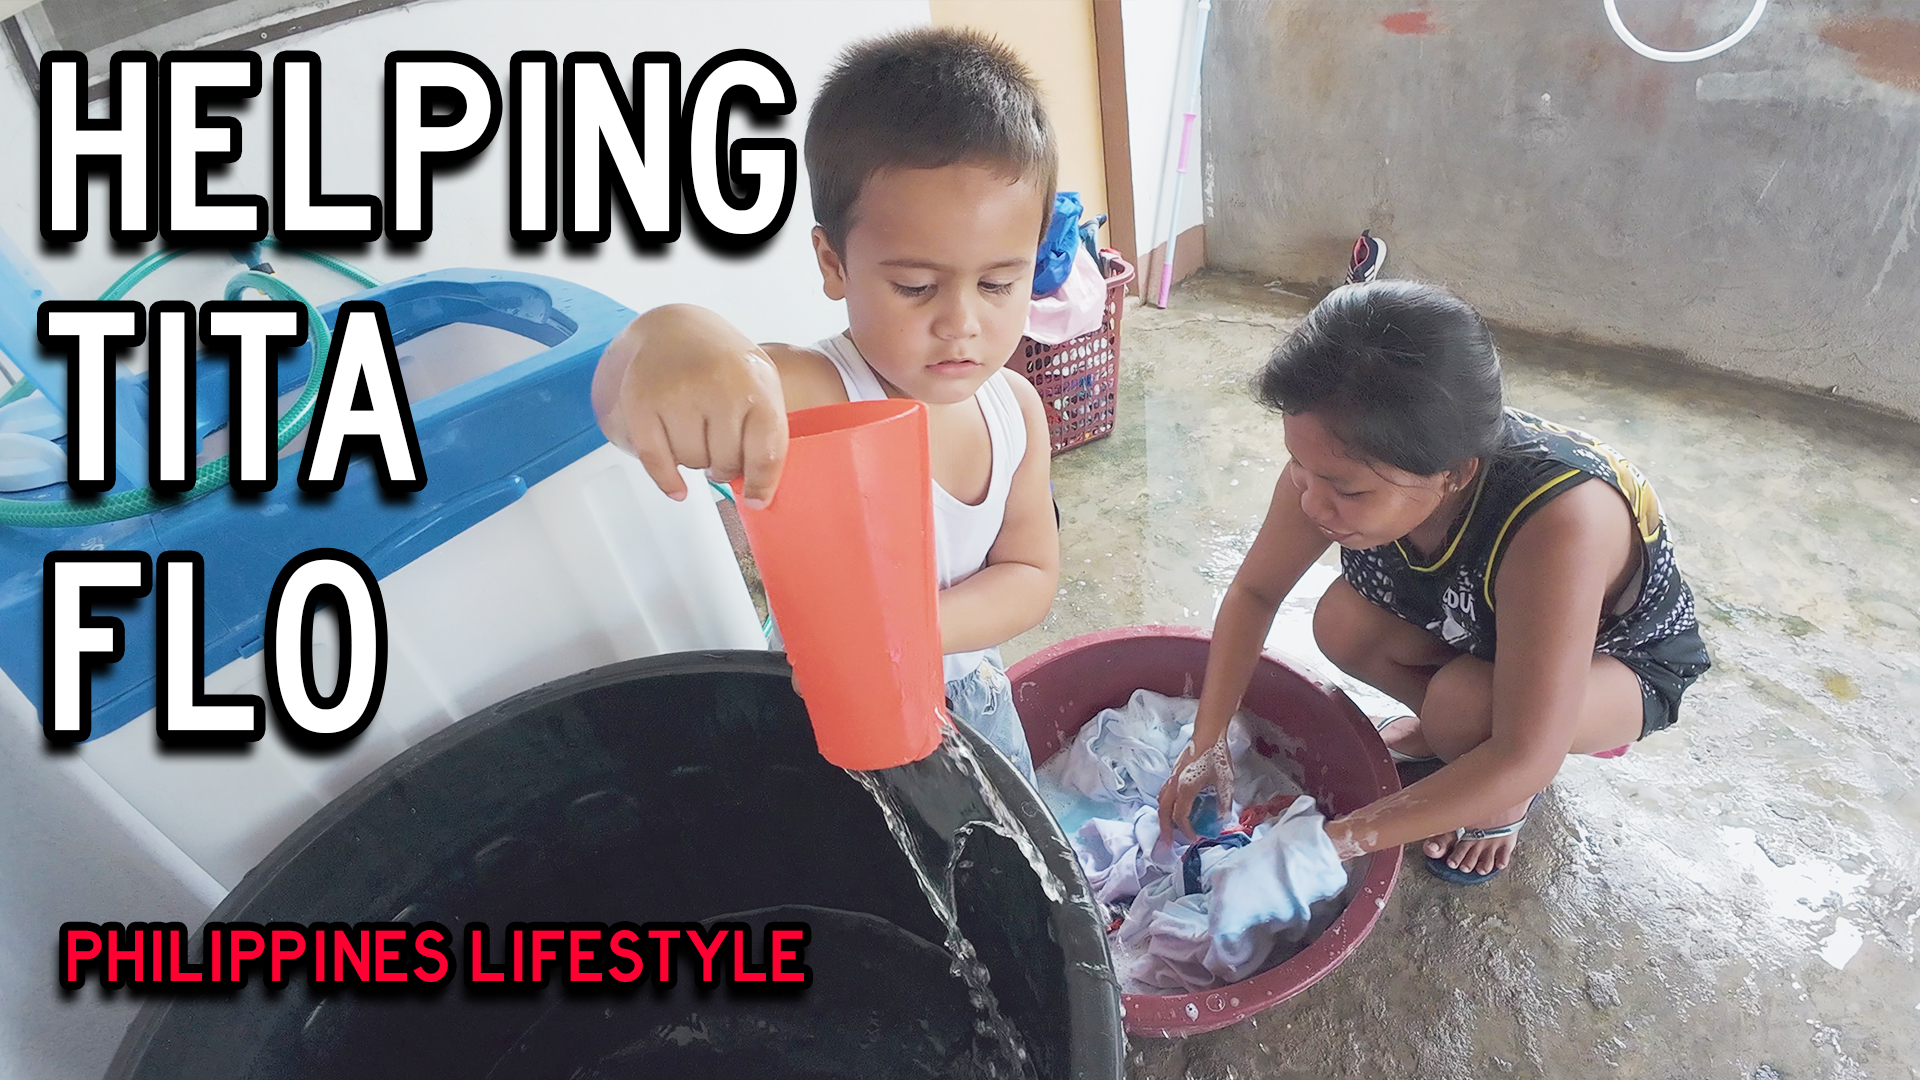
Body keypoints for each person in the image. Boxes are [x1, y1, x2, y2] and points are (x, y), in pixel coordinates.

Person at [591, 28, 1059, 779]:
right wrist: (666, 339)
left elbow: (1031, 571)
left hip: (966, 693)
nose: (962, 322)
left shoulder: (1016, 411)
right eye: (915, 286)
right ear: (833, 264)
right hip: (823, 704)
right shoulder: (810, 396)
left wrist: (910, 629)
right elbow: (620, 402)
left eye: (1000, 283)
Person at [1156, 279, 1710, 883]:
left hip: (1616, 663)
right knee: (1341, 622)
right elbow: (1255, 593)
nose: (1312, 502)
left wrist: (1324, 845)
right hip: (1483, 622)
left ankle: (1496, 784)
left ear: (1453, 475)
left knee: (1466, 712)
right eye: (1298, 465)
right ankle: (1465, 754)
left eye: (1348, 490)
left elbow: (1526, 750)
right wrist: (1205, 742)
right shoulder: (1334, 463)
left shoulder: (1559, 522)